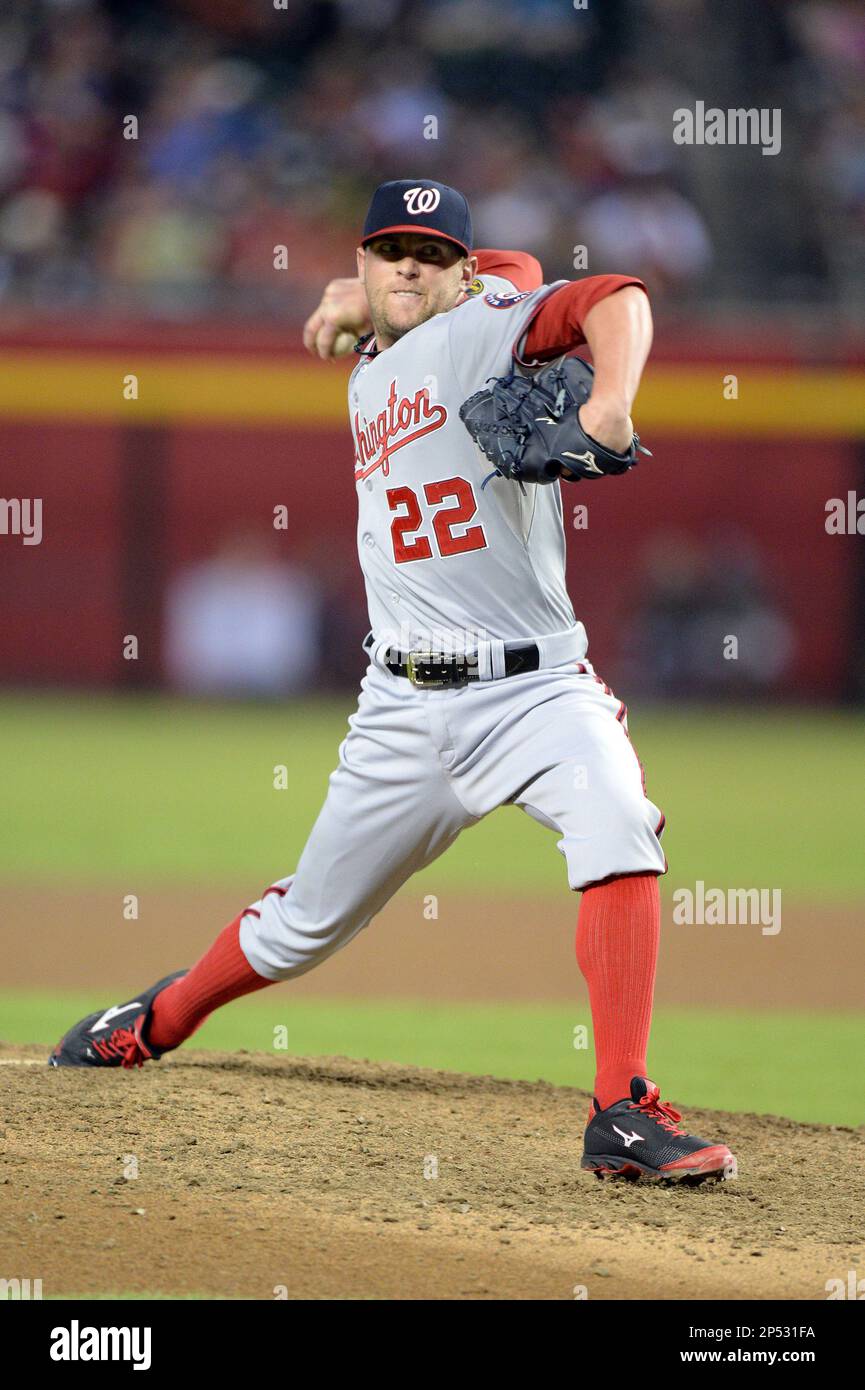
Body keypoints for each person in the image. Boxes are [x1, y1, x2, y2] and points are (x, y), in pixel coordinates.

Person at [50, 178, 735, 1184]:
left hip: (535, 689)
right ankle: (155, 1017)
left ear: (466, 272)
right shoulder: (372, 366)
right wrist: (352, 296)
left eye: (430, 251)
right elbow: (443, 284)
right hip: (402, 709)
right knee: (302, 925)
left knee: (617, 821)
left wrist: (608, 397)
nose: (407, 264)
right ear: (366, 263)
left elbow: (615, 293)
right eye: (386, 249)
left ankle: (621, 1110)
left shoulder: (490, 322)